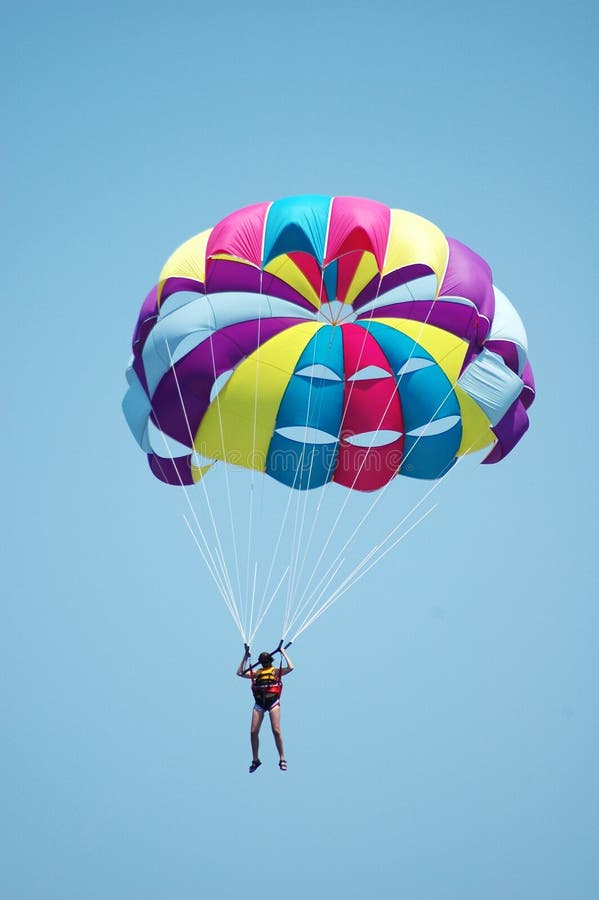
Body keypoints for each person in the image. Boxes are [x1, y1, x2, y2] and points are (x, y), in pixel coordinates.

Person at [237, 646, 294, 773]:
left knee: (276, 730)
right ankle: (255, 759)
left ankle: (282, 758)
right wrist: (245, 656)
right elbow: (239, 672)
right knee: (253, 732)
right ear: (262, 663)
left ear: (270, 662)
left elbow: (291, 667)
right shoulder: (257, 672)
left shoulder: (275, 671)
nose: (265, 664)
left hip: (273, 702)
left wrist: (284, 653)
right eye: (263, 662)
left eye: (266, 662)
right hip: (259, 704)